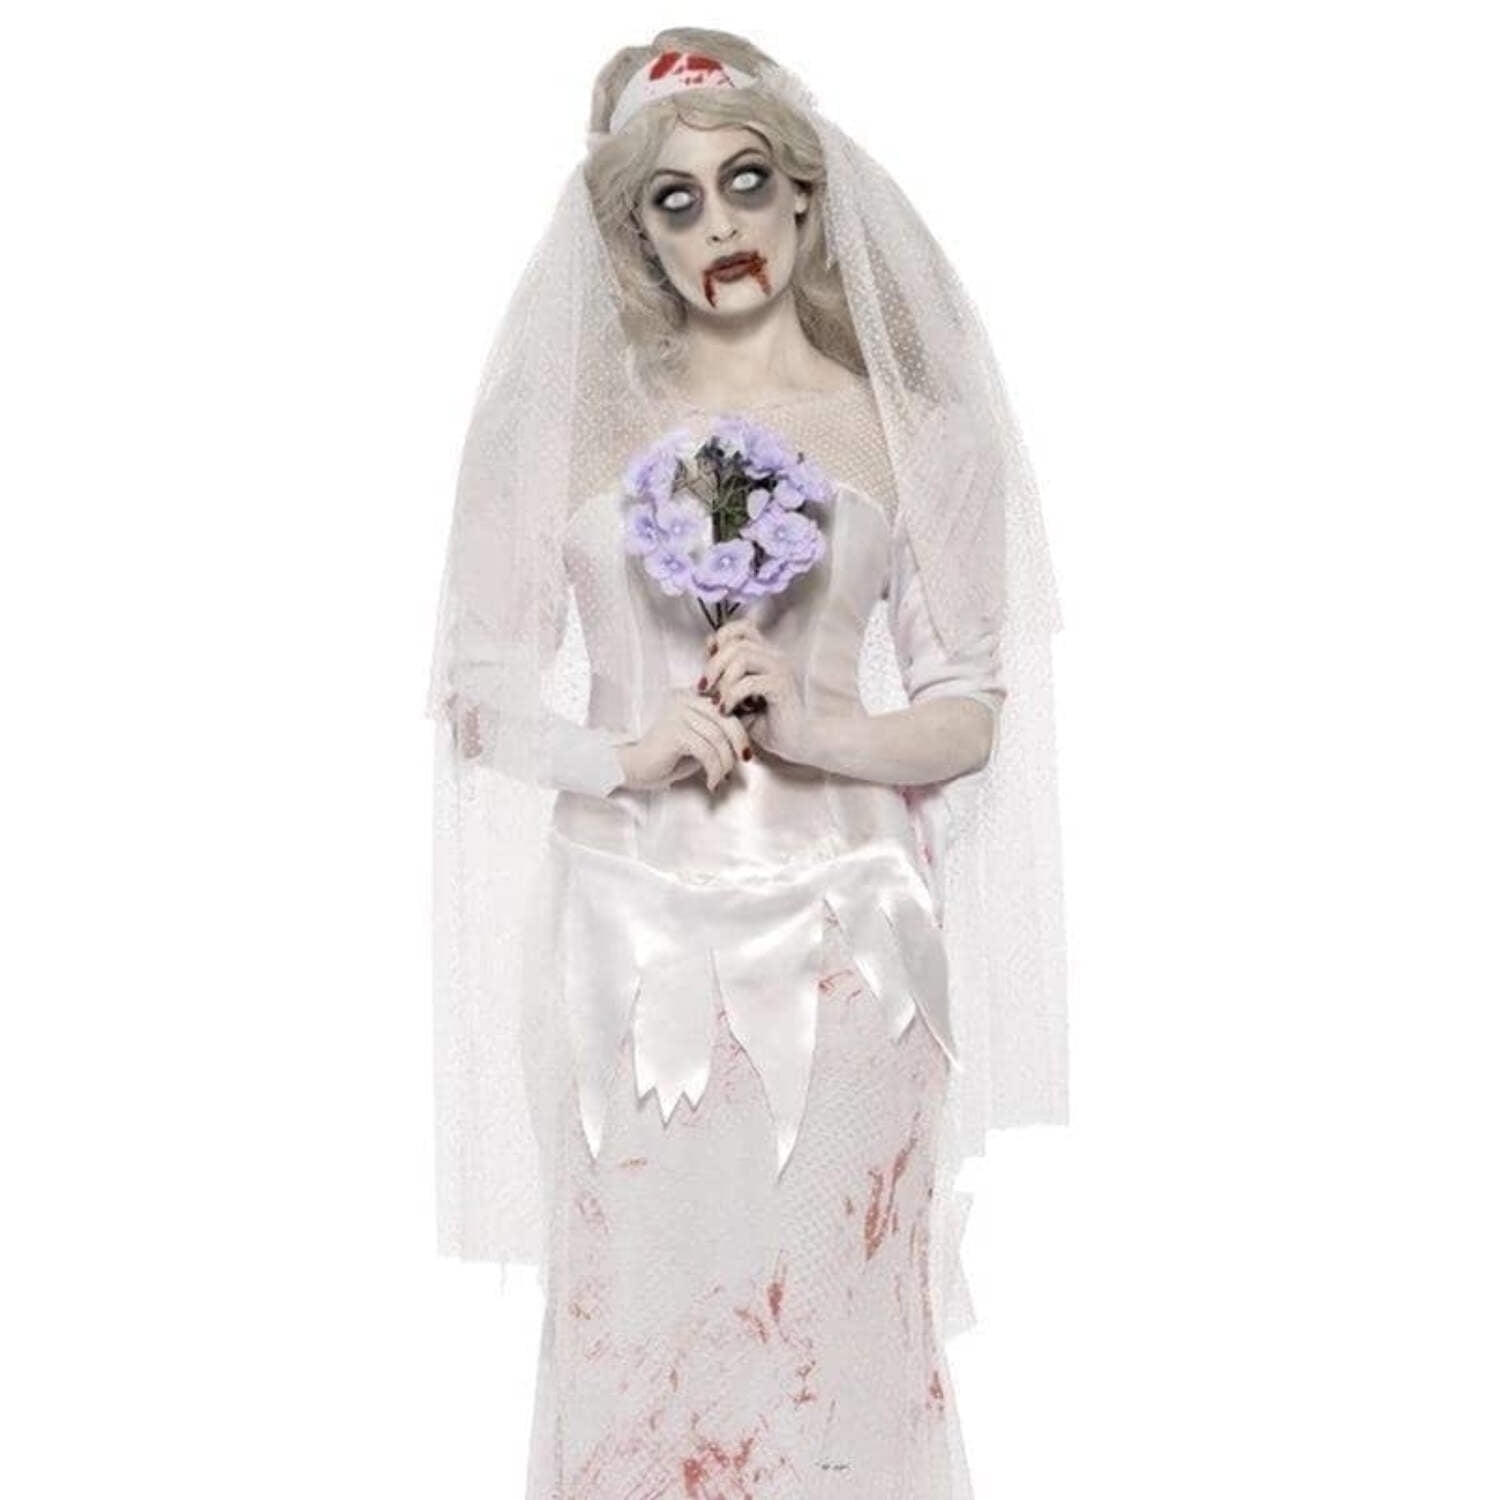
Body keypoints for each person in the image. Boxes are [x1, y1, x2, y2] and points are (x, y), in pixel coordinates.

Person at [424, 27, 1068, 1497]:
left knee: (834, 1329)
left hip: (851, 954)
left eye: (748, 181)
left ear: (804, 194)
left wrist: (823, 728)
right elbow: (475, 694)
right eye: (677, 198)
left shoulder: (915, 428)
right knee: (640, 1331)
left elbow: (970, 703)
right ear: (634, 236)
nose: (721, 224)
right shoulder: (564, 430)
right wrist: (626, 751)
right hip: (623, 947)